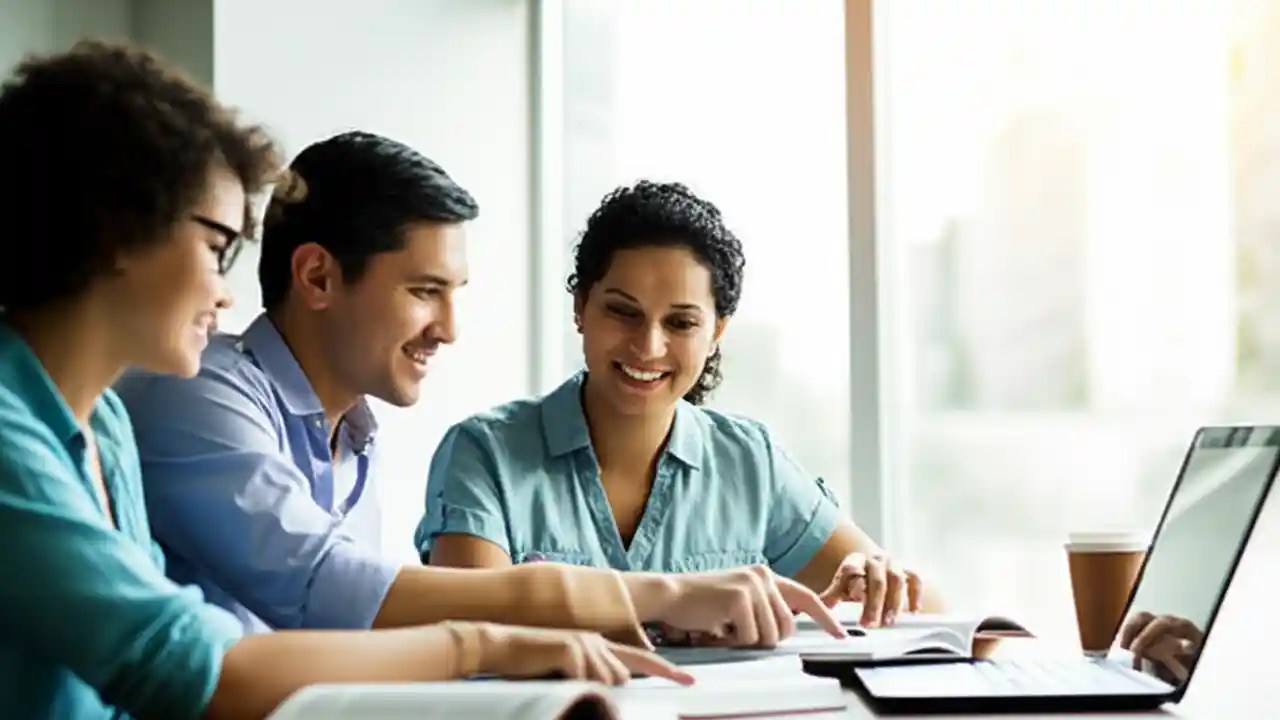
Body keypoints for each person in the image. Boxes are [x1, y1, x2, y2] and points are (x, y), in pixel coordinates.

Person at [0, 41, 697, 720]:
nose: (225, 290)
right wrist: (484, 644)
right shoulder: (52, 423)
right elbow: (185, 660)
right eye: (216, 248)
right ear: (117, 233)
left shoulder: (106, 425)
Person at [115, 130, 844, 647]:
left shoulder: (351, 438)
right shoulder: (200, 393)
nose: (450, 329)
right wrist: (665, 595)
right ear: (317, 276)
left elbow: (353, 641)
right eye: (424, 291)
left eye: (455, 292)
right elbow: (328, 589)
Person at [419, 181, 944, 629]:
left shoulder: (750, 463)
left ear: (716, 332)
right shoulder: (485, 453)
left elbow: (931, 615)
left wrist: (874, 583)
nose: (648, 346)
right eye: (623, 312)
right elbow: (471, 638)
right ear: (580, 307)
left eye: (681, 322)